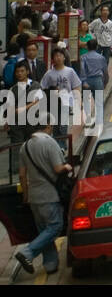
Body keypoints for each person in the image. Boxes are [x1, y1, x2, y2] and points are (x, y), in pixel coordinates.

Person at [12, 115, 73, 278]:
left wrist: (26, 195)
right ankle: (27, 253)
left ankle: (50, 265)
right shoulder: (49, 142)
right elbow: (58, 168)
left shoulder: (24, 147)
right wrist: (67, 166)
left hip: (34, 198)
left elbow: (22, 175)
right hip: (50, 195)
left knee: (44, 231)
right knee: (55, 227)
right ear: (48, 126)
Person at [39, 43, 81, 138]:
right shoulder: (49, 73)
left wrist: (78, 101)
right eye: (55, 56)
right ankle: (59, 143)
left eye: (60, 56)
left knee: (63, 124)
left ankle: (62, 144)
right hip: (53, 102)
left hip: (66, 102)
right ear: (53, 59)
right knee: (55, 124)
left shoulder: (70, 71)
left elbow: (76, 86)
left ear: (64, 58)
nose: (58, 58)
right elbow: (42, 87)